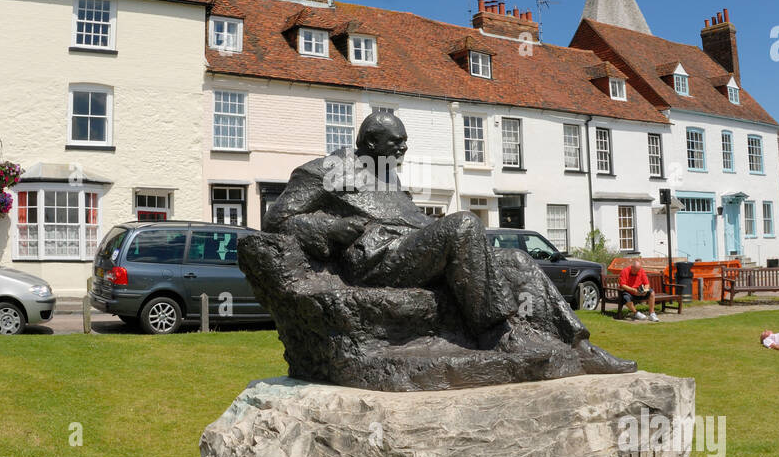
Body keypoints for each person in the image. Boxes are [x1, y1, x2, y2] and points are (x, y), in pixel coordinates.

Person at [263, 111, 635, 374]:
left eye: (405, 144)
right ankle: (498, 334)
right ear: (369, 143)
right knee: (461, 225)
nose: (403, 150)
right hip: (379, 260)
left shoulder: (388, 174)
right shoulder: (326, 170)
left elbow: (413, 221)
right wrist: (331, 230)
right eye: (396, 144)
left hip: (413, 252)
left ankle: (579, 346)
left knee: (517, 261)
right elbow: (278, 220)